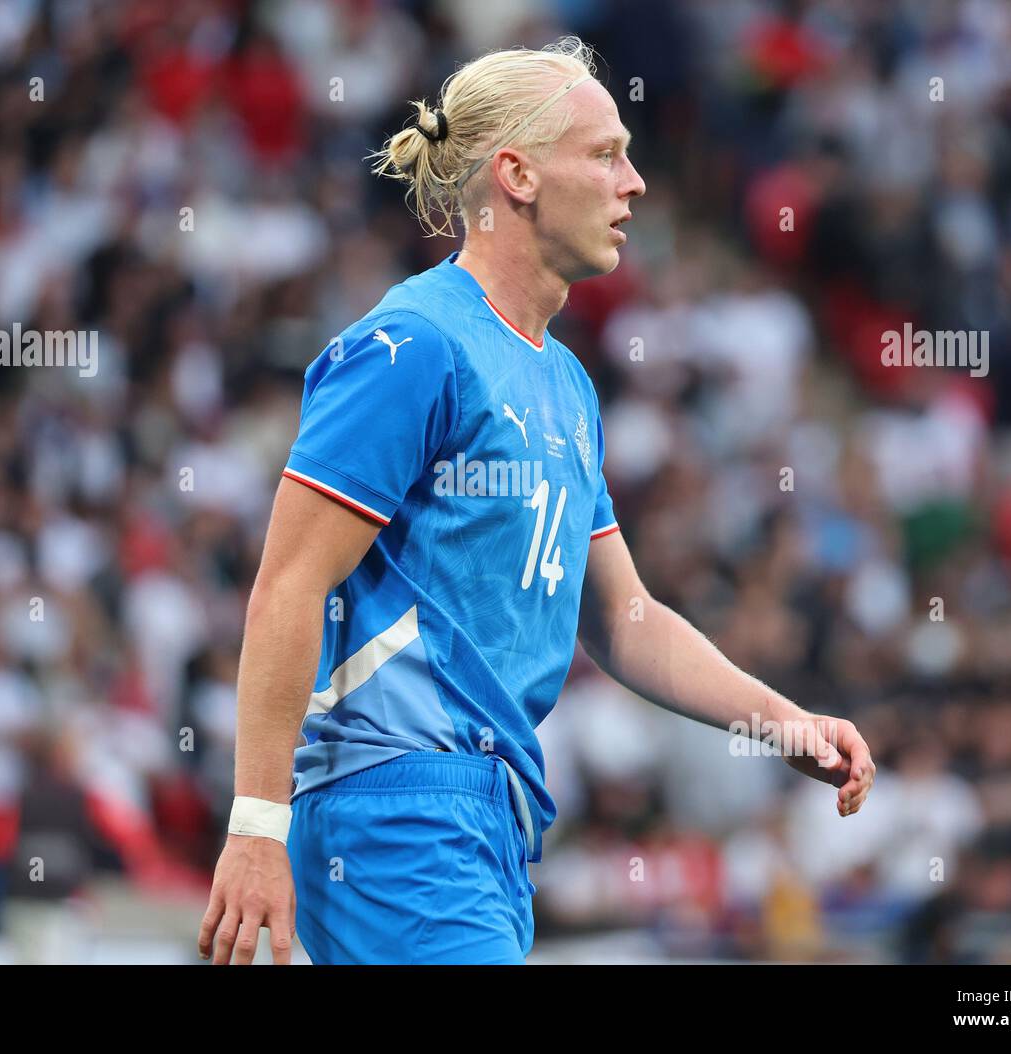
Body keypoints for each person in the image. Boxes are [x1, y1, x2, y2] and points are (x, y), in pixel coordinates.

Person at [197, 36, 876, 966]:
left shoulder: (566, 384)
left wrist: (780, 720)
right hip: (395, 804)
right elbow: (287, 585)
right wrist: (254, 828)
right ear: (515, 175)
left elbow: (626, 618)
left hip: (497, 820)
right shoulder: (412, 345)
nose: (634, 183)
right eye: (605, 154)